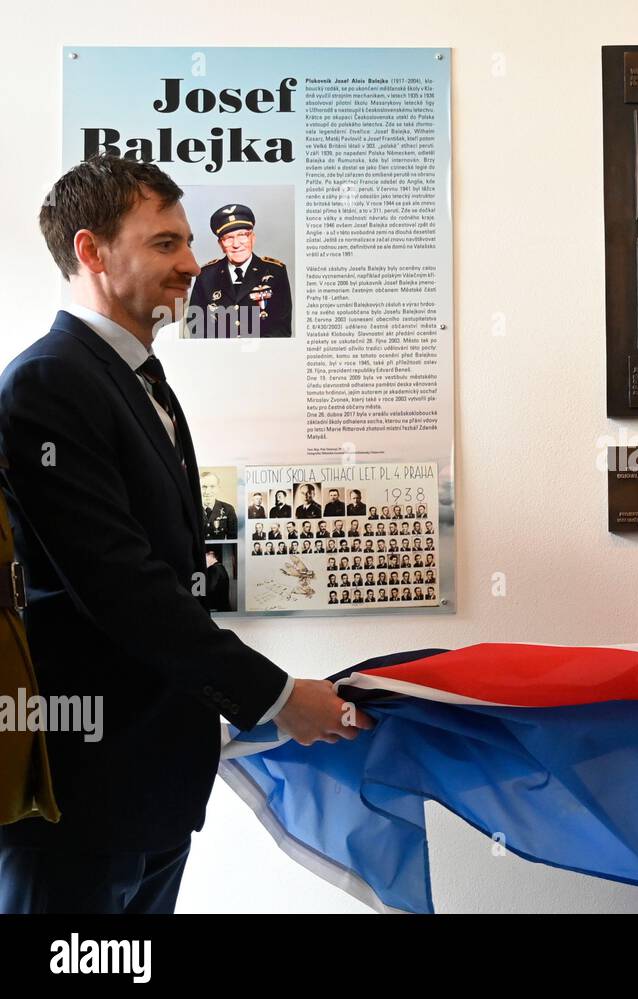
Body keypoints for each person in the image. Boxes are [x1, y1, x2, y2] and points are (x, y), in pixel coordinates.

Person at [0, 155, 371, 914]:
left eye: (189, 242)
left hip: (150, 790)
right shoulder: (49, 382)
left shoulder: (137, 378)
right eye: (166, 243)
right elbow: (122, 588)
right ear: (92, 252)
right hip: (83, 797)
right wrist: (274, 697)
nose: (193, 263)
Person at [186, 203, 292, 338]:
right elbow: (196, 326)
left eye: (242, 235)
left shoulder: (275, 272)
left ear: (252, 238)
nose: (236, 244)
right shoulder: (206, 275)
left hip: (260, 355)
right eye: (228, 238)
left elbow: (280, 329)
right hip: (219, 355)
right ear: (221, 244)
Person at [199, 470, 236, 540]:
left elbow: (234, 540)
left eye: (212, 486)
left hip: (220, 550)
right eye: (204, 487)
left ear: (218, 488)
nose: (208, 491)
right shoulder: (191, 510)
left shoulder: (228, 509)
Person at [201, 549, 232, 613]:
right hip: (223, 607)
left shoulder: (214, 568)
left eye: (205, 557)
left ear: (210, 555)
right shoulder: (221, 567)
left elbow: (210, 588)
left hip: (216, 608)